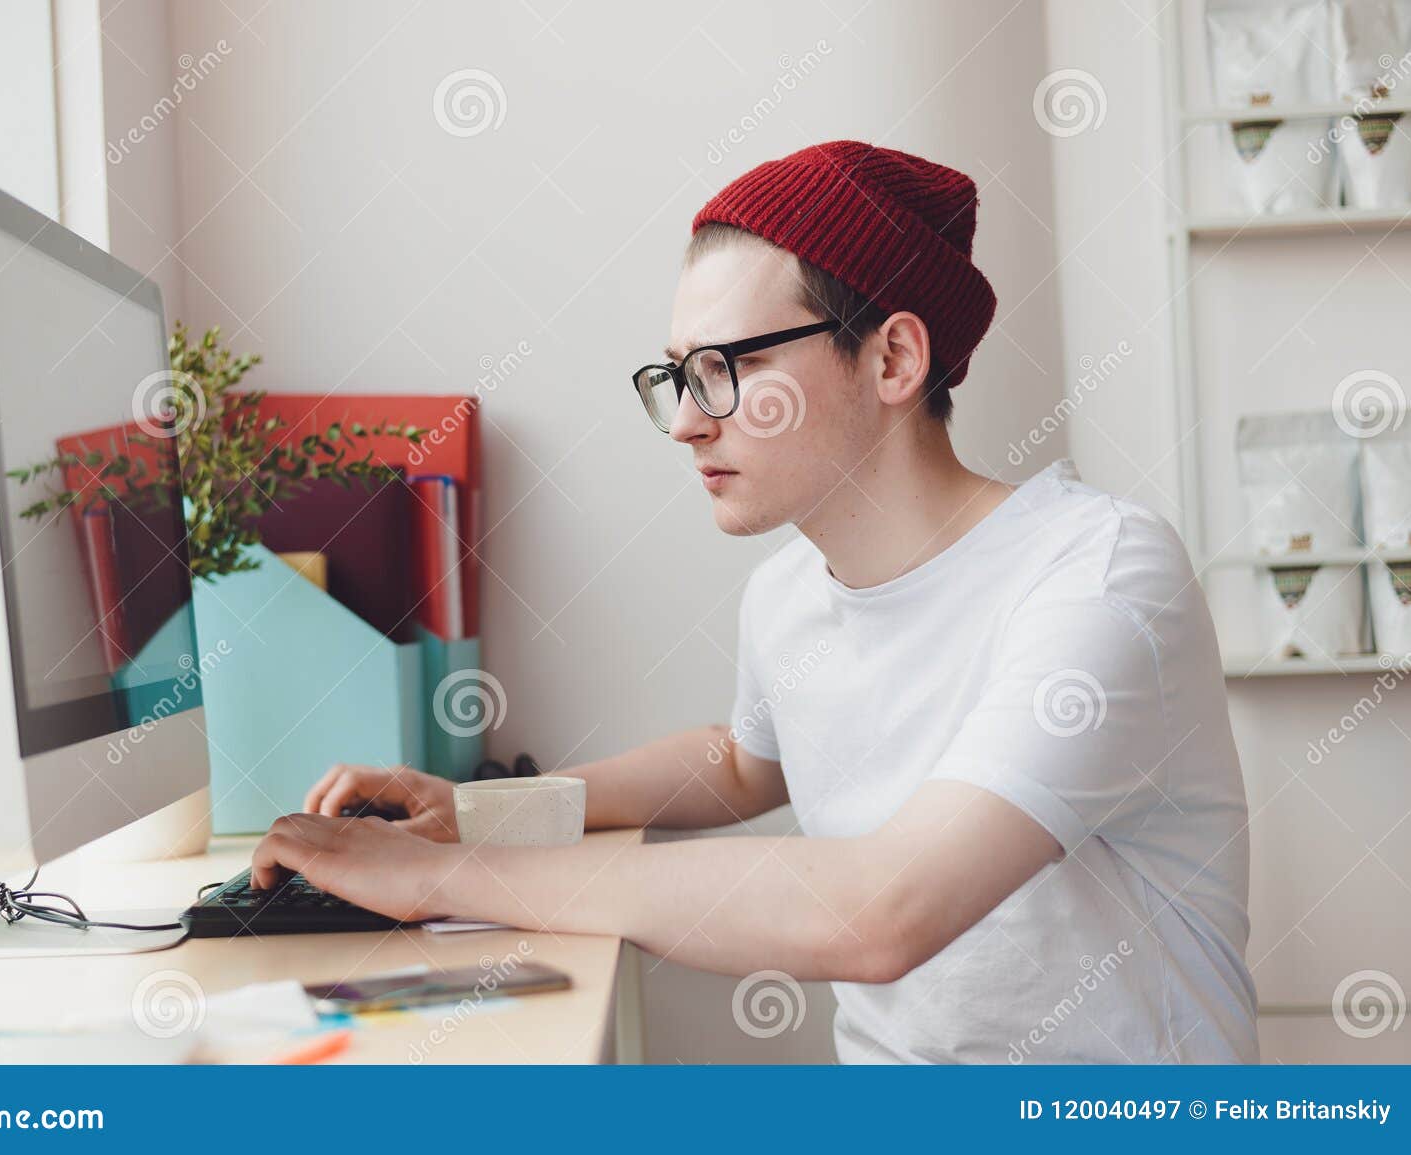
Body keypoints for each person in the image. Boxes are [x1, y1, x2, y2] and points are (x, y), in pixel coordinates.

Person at [250, 141, 1259, 1064]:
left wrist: (434, 880)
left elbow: (877, 913)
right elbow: (740, 764)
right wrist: (476, 811)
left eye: (728, 369)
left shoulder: (1099, 577)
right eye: (676, 376)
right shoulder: (786, 594)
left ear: (893, 359)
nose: (687, 422)